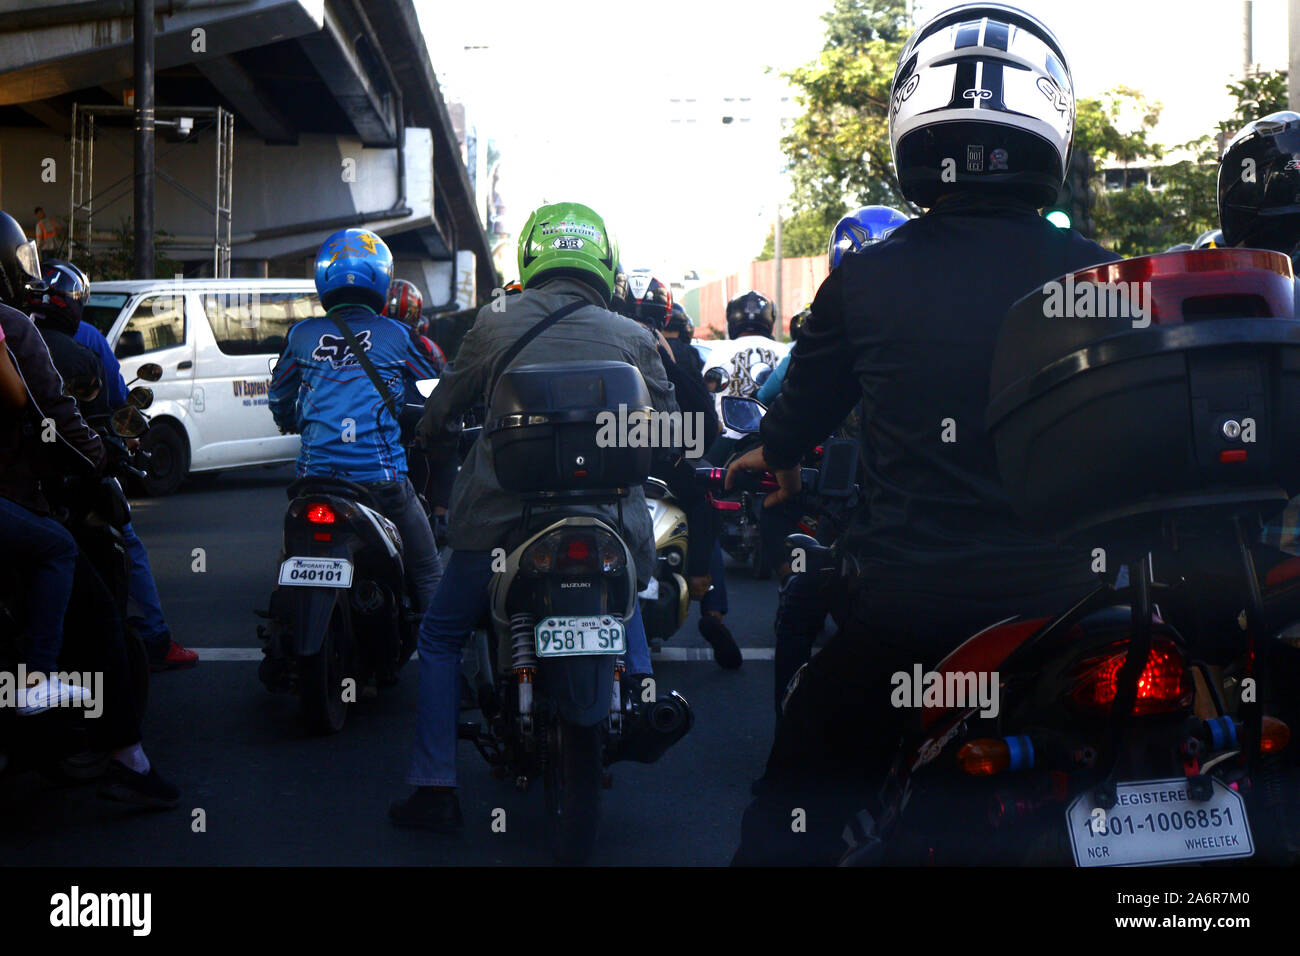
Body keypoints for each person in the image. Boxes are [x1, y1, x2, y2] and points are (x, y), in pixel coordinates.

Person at [727, 3, 1119, 865]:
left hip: (912, 612)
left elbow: (796, 419)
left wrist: (772, 458)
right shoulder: (1101, 276)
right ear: (1046, 122)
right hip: (1076, 610)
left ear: (916, 121)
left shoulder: (864, 282)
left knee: (788, 812)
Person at [389, 201, 678, 831]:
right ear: (602, 261)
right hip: (610, 522)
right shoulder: (631, 333)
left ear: (532, 257)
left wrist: (429, 430)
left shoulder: (495, 323)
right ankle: (644, 699)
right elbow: (669, 431)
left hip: (499, 522)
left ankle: (435, 787)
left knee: (440, 638)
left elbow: (442, 409)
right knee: (624, 601)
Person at [0, 211, 177, 805]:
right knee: (95, 605)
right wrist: (102, 460)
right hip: (25, 499)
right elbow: (56, 415)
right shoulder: (17, 333)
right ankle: (127, 759)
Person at [29, 259, 199, 672]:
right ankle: (154, 636)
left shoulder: (16, 334)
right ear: (75, 304)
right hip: (70, 472)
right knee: (122, 543)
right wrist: (106, 450)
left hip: (25, 481)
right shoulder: (83, 347)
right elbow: (110, 405)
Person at [269, 229, 444, 623]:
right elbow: (435, 382)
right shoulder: (399, 335)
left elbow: (280, 396)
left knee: (290, 552)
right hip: (382, 483)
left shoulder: (301, 335)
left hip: (314, 480)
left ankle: (282, 620)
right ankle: (443, 658)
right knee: (429, 569)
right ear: (382, 278)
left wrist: (290, 421)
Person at [613, 269, 739, 667]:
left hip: (606, 461)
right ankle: (708, 597)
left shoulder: (600, 339)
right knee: (704, 500)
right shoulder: (682, 353)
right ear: (665, 314)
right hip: (665, 461)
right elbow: (706, 419)